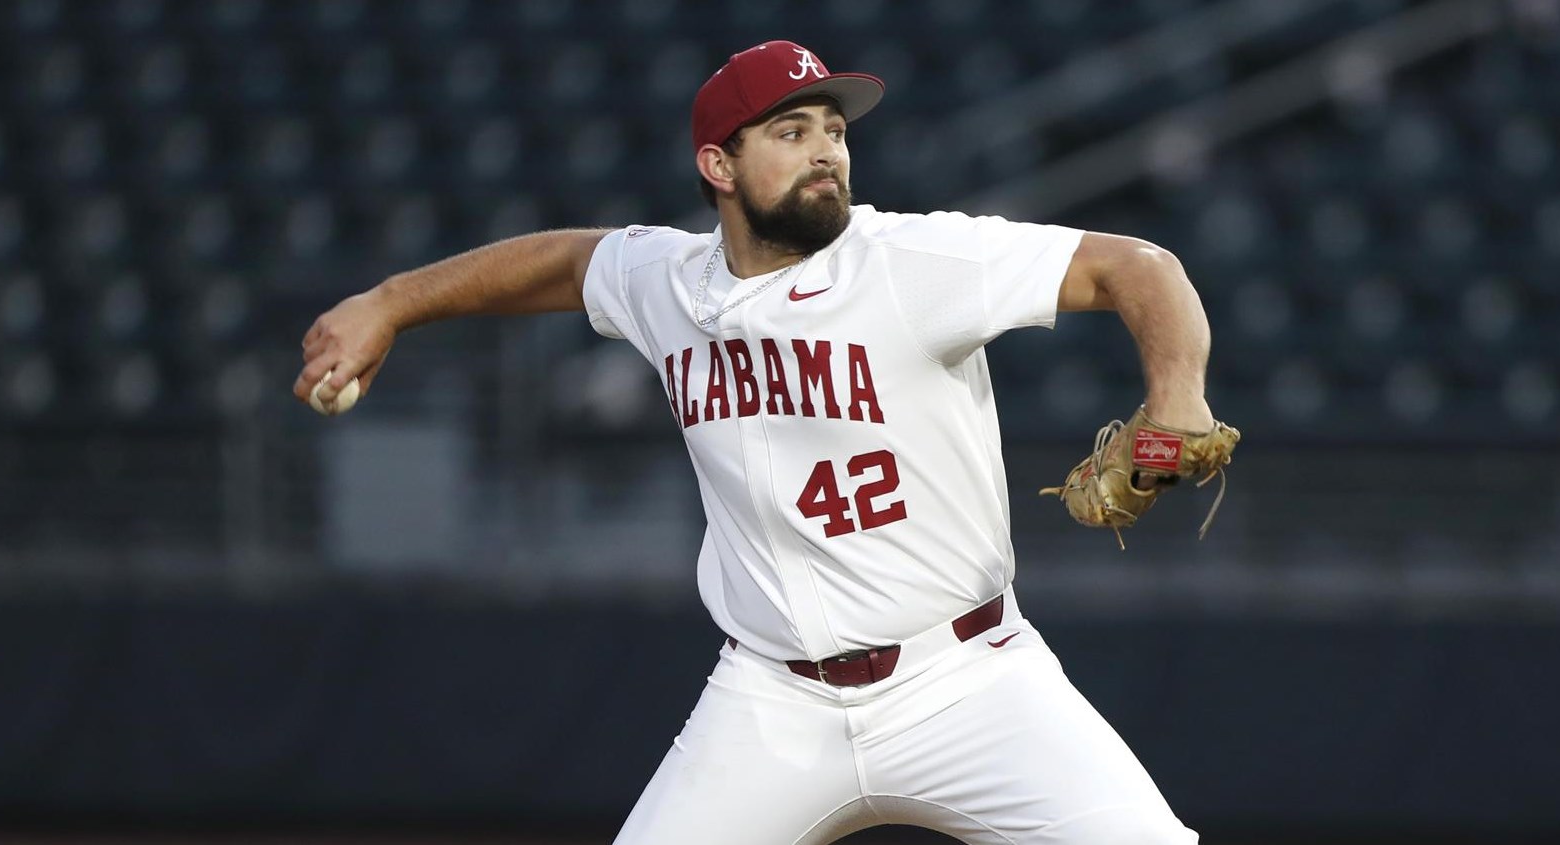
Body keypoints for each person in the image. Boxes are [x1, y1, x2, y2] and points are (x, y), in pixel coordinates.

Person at [297, 39, 1216, 845]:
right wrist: (389, 303)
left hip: (966, 679)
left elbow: (1138, 266)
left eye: (834, 129)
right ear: (719, 165)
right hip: (773, 702)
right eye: (791, 132)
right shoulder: (666, 279)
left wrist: (1175, 404)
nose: (826, 149)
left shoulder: (911, 263)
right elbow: (568, 262)